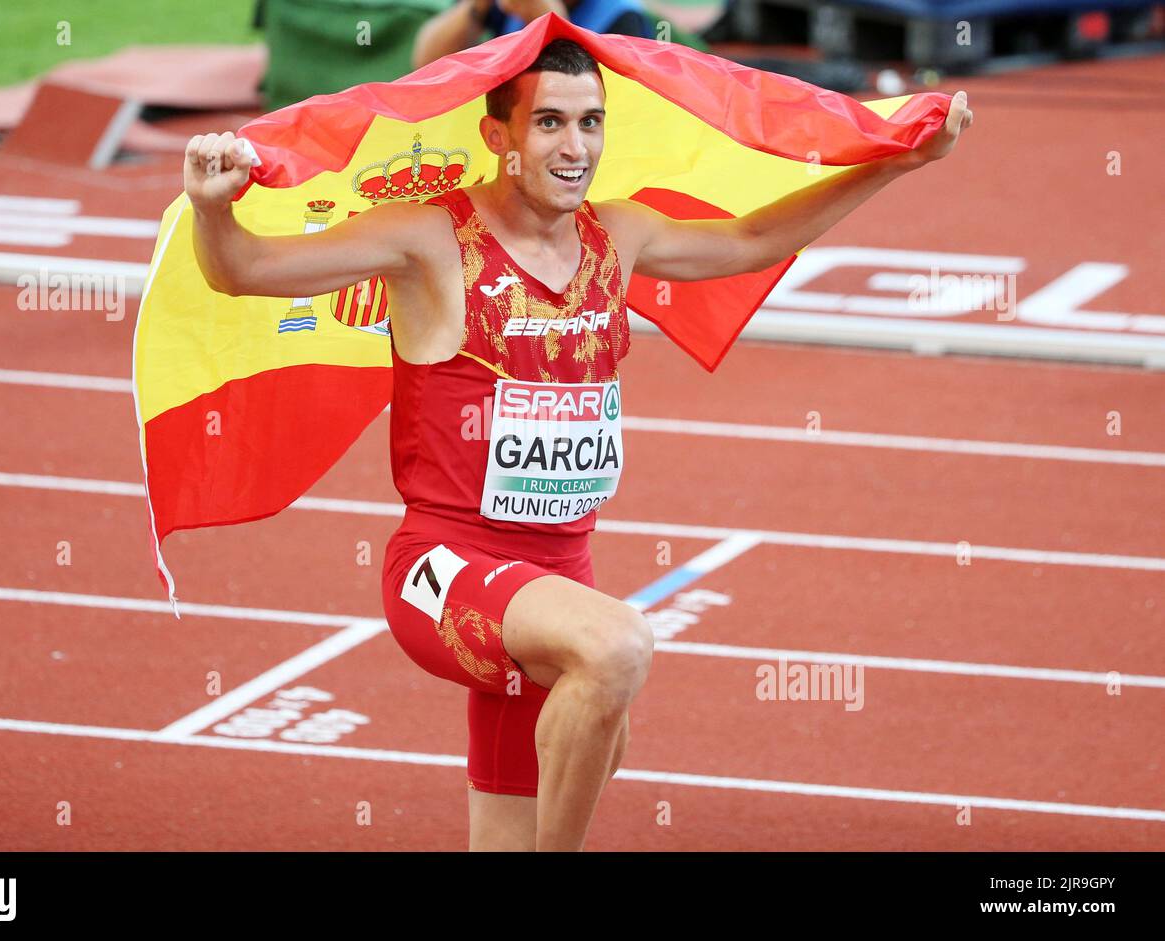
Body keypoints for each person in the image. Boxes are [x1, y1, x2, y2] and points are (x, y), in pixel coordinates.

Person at [182, 38, 972, 851]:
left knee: (559, 769)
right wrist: (214, 208)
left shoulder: (617, 236)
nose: (576, 147)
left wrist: (895, 164)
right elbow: (243, 269)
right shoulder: (427, 241)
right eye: (551, 123)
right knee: (617, 646)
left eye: (591, 123)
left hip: (561, 569)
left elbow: (748, 243)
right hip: (444, 568)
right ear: (500, 139)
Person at [413, 0, 652, 69]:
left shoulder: (623, 17)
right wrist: (478, 6)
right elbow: (426, 61)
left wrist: (548, 18)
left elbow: (591, 107)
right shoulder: (507, 6)